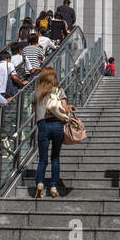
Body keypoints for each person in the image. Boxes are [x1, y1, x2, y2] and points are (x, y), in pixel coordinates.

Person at [33, 67, 73, 198]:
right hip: (57, 124)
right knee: (55, 157)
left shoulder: (36, 92)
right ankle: (54, 186)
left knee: (42, 159)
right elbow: (65, 109)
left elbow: (35, 111)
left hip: (42, 124)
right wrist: (69, 108)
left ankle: (39, 184)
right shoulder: (59, 91)